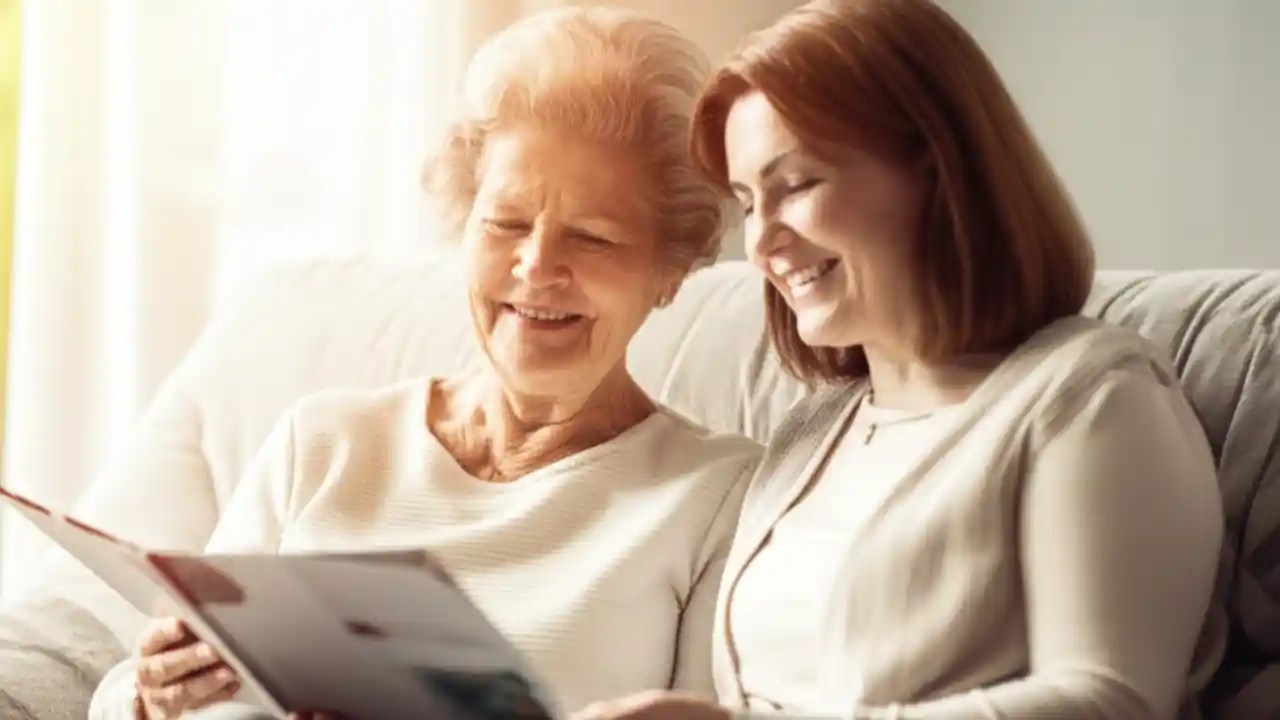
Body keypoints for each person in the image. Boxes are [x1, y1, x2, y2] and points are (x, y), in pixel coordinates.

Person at [88, 7, 760, 720]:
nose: (536, 266)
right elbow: (146, 682)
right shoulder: (321, 443)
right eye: (505, 222)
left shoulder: (713, 497)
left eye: (592, 238)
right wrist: (150, 694)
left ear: (670, 271)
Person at [576, 1, 1226, 718]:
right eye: (748, 202)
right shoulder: (813, 431)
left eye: (795, 185)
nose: (760, 243)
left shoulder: (1092, 399)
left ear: (939, 170)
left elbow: (1111, 700)